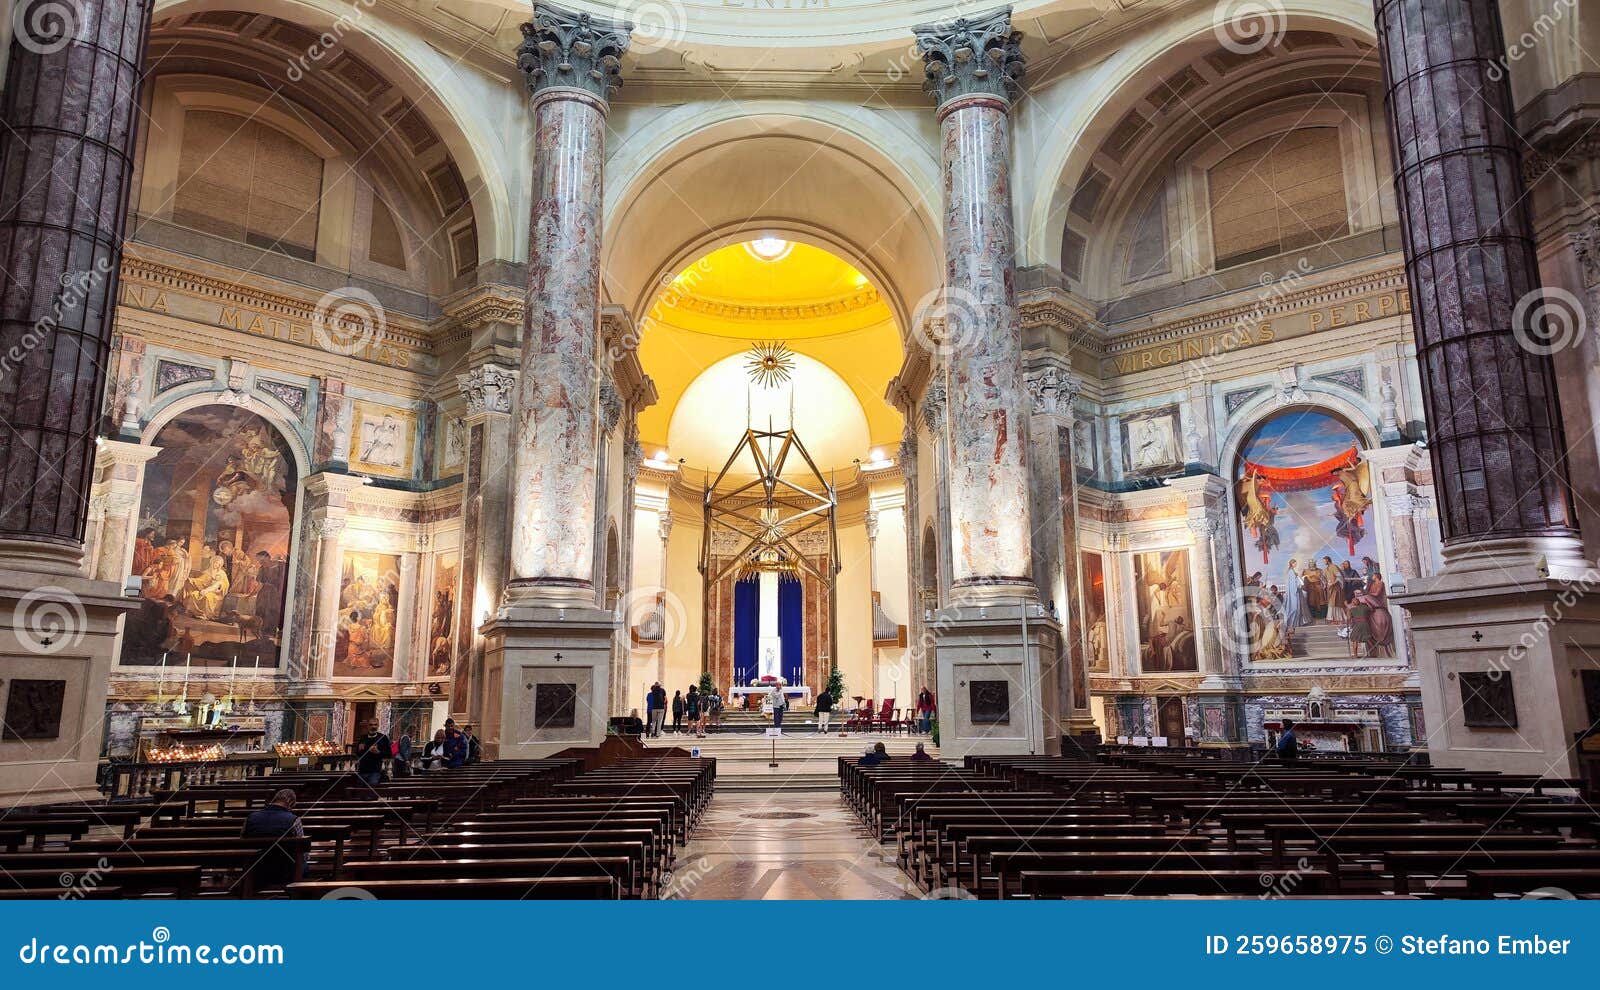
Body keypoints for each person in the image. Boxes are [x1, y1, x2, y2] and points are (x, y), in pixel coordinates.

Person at [241, 788, 306, 890]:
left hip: (255, 869)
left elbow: (242, 841)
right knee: (303, 865)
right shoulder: (294, 819)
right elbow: (302, 848)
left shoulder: (251, 817)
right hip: (285, 871)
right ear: (290, 802)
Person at [353, 719, 390, 786]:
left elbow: (389, 754)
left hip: (375, 771)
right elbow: (357, 753)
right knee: (359, 790)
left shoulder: (383, 738)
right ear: (367, 726)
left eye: (375, 725)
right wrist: (359, 750)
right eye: (371, 725)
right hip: (362, 770)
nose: (373, 727)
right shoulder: (363, 738)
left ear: (378, 726)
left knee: (372, 789)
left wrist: (378, 752)